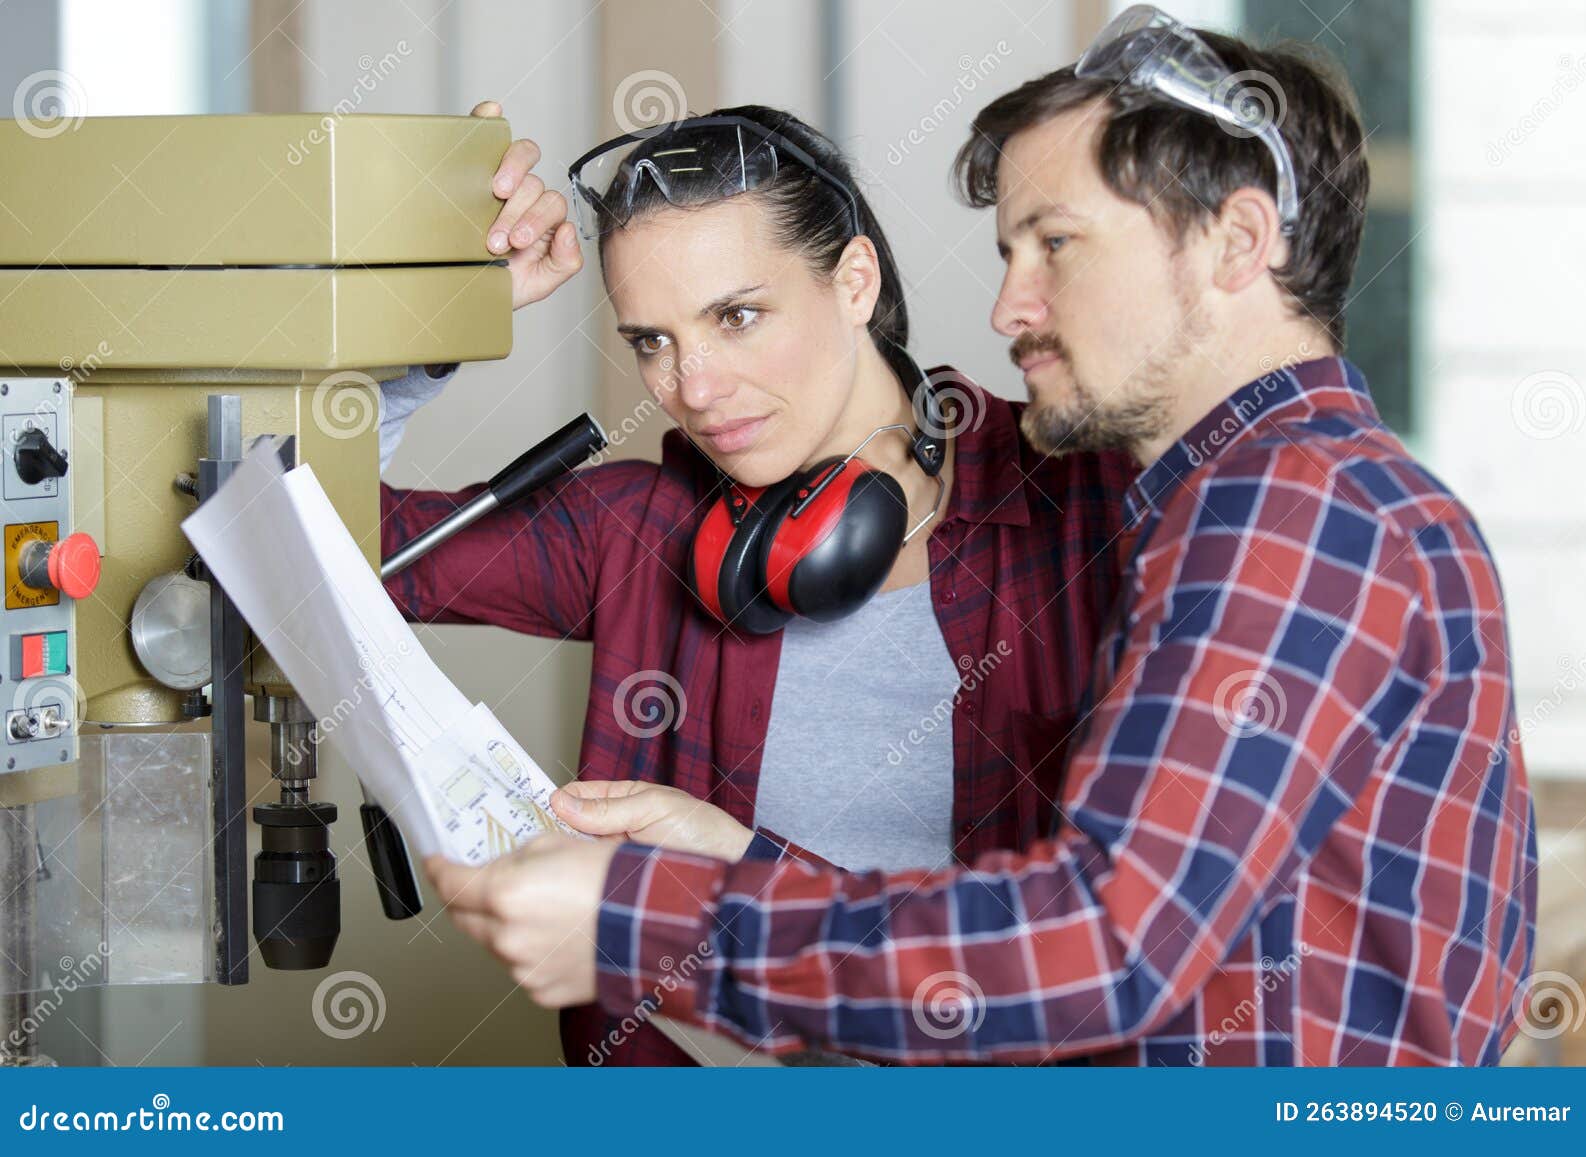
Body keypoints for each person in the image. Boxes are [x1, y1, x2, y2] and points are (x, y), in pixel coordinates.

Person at [426, 8, 1537, 1066]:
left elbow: (1101, 941)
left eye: (1055, 243)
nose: (1007, 308)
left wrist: (640, 920)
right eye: (1012, 251)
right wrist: (740, 863)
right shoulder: (1245, 502)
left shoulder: (1288, 510)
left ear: (1236, 240)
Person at [381, 103, 1133, 1065]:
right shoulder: (640, 527)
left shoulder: (1085, 501)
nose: (694, 385)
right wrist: (430, 317)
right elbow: (335, 540)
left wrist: (738, 872)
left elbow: (1114, 936)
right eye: (651, 339)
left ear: (853, 281)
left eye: (737, 316)